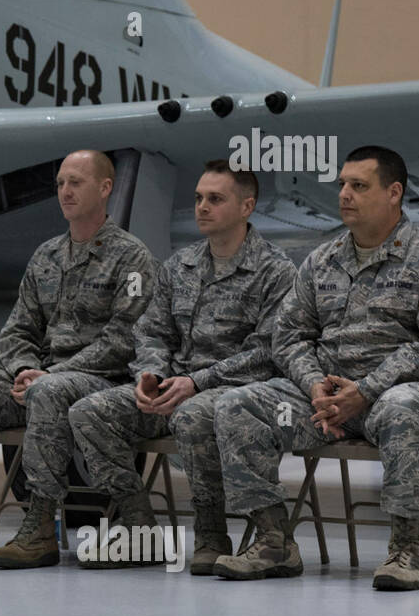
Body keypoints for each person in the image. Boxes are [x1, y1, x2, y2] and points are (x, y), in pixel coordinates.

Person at [213, 146, 419, 590]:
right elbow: (290, 335)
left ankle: (407, 548)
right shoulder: (322, 261)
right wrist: (315, 385)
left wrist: (367, 390)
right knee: (239, 404)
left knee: (403, 407)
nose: (345, 195)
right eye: (342, 185)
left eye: (359, 185)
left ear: (394, 193)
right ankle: (274, 540)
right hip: (328, 403)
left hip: (404, 397)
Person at [0, 150, 156, 569]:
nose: (65, 191)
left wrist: (50, 374)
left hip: (101, 384)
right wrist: (23, 369)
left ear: (106, 188)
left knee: (49, 390)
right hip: (38, 382)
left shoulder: (131, 258)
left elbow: (124, 340)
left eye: (76, 181)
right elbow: (17, 329)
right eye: (60, 183)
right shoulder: (46, 257)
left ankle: (40, 525)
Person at [68, 161, 295, 571]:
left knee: (193, 415)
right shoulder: (180, 265)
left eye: (215, 198)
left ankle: (211, 534)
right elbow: (152, 331)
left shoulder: (275, 271)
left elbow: (269, 352)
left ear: (247, 207)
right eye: (197, 198)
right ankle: (140, 531)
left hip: (233, 391)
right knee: (89, 413)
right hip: (173, 387)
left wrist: (196, 382)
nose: (202, 207)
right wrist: (150, 374)